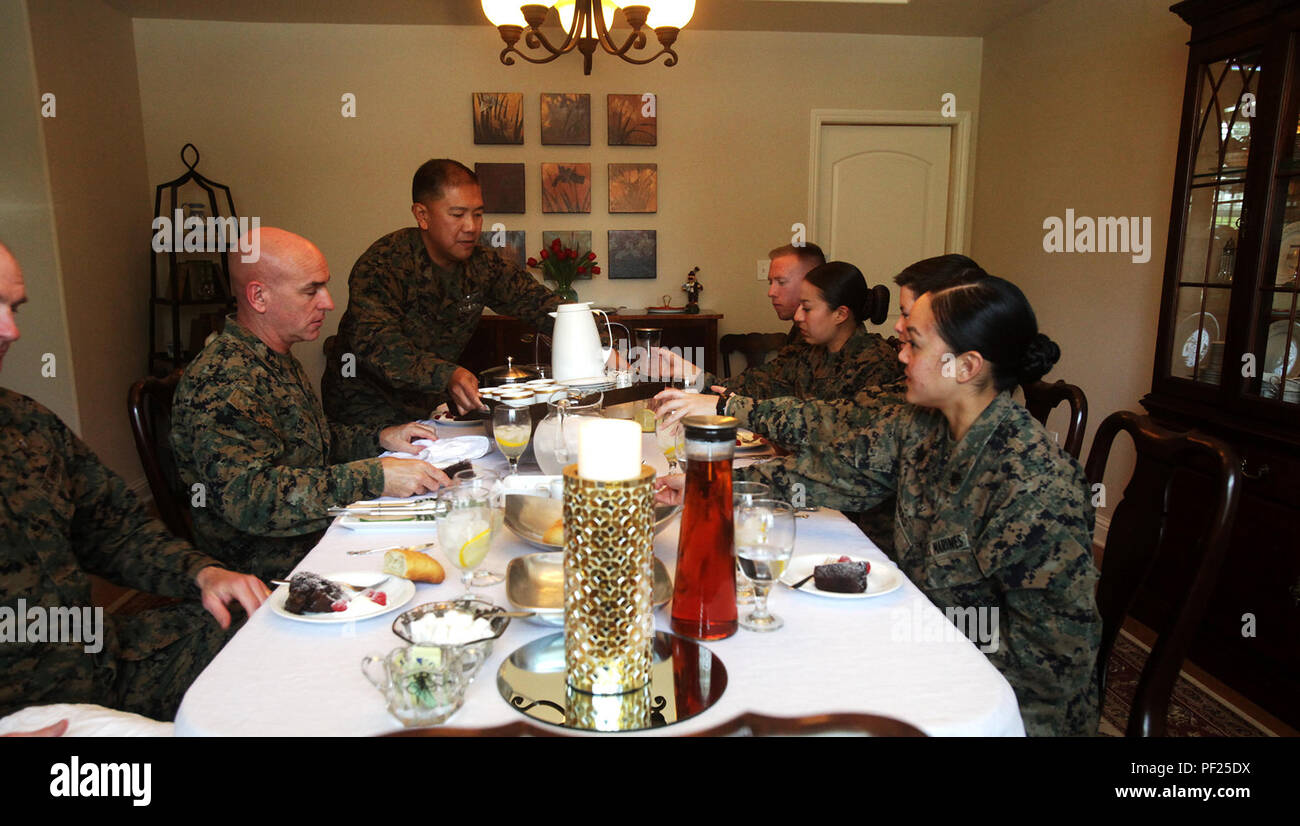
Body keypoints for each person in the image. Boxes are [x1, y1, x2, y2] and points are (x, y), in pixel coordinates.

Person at [660, 273, 1101, 736]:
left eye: (914, 343)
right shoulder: (924, 424)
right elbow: (829, 476)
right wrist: (701, 487)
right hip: (924, 646)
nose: (901, 356)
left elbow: (1053, 666)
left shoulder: (1031, 483)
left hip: (995, 706)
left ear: (966, 366)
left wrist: (911, 666)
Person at [0, 242, 268, 722]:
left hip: (99, 661)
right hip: (23, 712)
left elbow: (116, 529)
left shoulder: (25, 424)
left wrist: (202, 573)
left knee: (270, 622)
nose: (11, 331)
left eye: (13, 308)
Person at [171, 228, 448, 583]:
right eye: (310, 290)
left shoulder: (273, 355)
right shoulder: (226, 378)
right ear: (259, 297)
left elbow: (308, 443)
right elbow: (250, 497)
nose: (328, 302)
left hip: (314, 532)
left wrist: (381, 438)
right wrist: (374, 477)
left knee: (445, 527)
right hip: (268, 567)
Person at [322, 159, 565, 427]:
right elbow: (377, 343)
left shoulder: (484, 265)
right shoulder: (385, 263)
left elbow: (540, 303)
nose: (472, 227)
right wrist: (446, 374)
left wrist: (593, 336)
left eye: (478, 214)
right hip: (364, 409)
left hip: (424, 405)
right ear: (422, 215)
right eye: (458, 214)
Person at [652, 261, 900, 421]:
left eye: (807, 308)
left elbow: (831, 428)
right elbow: (753, 386)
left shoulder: (875, 362)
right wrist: (694, 375)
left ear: (840, 314)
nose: (797, 316)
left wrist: (725, 407)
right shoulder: (809, 351)